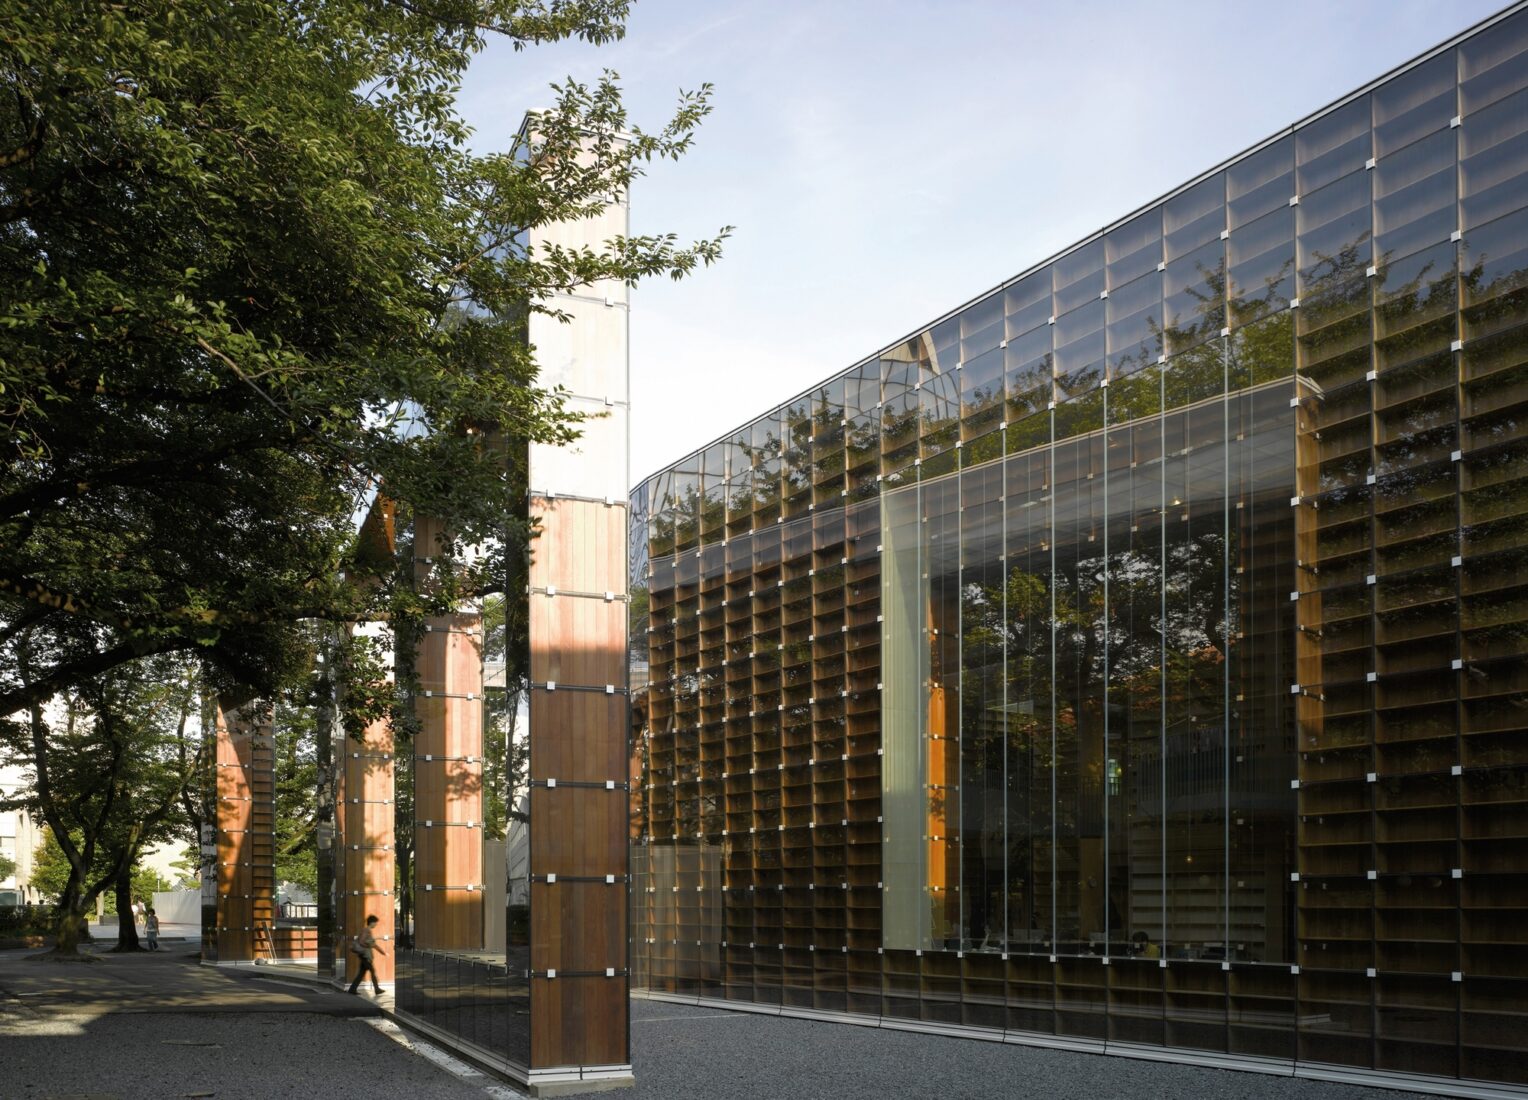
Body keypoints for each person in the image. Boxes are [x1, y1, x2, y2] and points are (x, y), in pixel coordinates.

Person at [348, 914, 384, 995]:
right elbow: (361, 941)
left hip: (364, 955)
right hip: (365, 955)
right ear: (371, 922)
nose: (376, 924)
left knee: (361, 973)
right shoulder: (366, 930)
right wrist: (368, 945)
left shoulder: (367, 930)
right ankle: (377, 989)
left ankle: (352, 989)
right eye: (375, 922)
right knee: (372, 971)